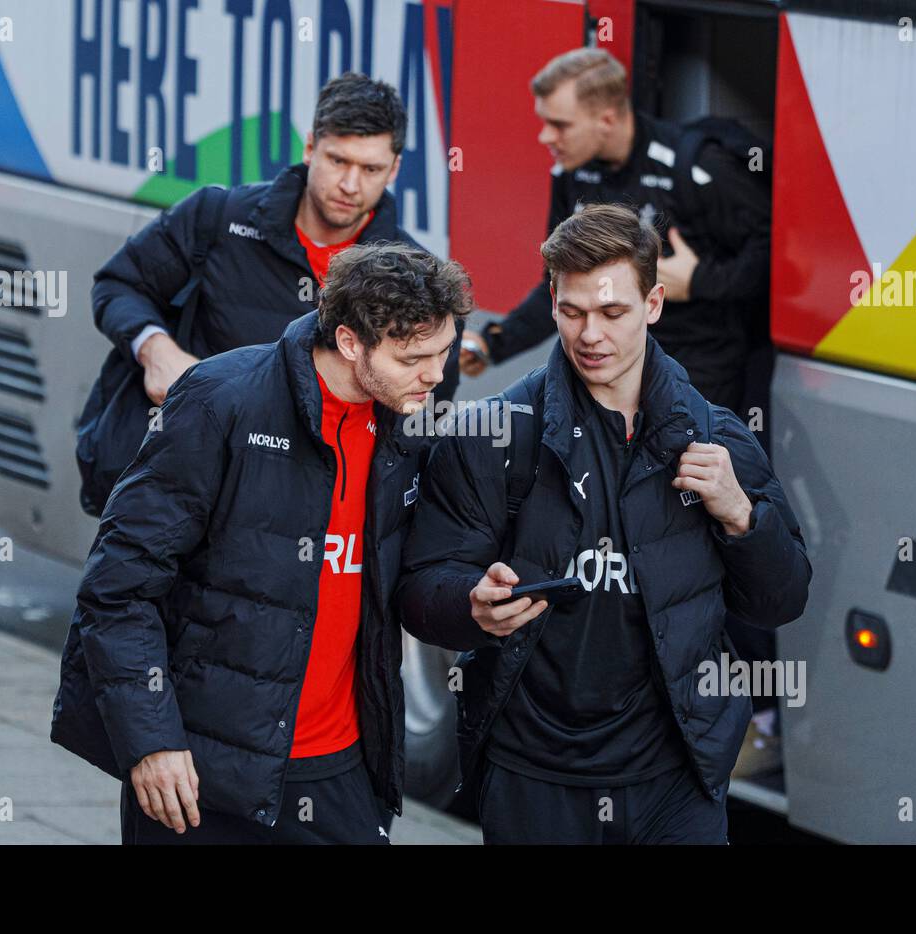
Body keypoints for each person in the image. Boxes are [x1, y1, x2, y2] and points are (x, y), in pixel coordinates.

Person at [398, 204, 808, 844]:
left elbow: (781, 601)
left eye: (613, 312)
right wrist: (469, 606)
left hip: (675, 779)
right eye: (572, 311)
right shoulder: (491, 437)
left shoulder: (716, 439)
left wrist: (742, 517)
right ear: (553, 301)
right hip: (537, 777)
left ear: (654, 304)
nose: (591, 334)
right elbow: (421, 590)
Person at [52, 243, 472, 844]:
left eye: (443, 352)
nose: (435, 375)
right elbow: (118, 589)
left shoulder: (405, 420)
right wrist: (152, 741)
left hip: (341, 770)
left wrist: (473, 602)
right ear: (351, 342)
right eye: (415, 358)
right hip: (203, 773)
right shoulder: (222, 401)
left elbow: (412, 578)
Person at [92, 71, 463, 409]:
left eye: (370, 169)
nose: (350, 185)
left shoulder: (419, 281)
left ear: (394, 169)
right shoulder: (219, 215)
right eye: (337, 161)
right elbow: (119, 284)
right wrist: (155, 349)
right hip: (194, 461)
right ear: (310, 148)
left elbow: (425, 410)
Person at [459, 47, 768, 418]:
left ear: (606, 119)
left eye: (559, 125)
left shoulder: (694, 167)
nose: (545, 136)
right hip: (613, 366)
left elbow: (775, 256)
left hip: (698, 371)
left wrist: (701, 281)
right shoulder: (572, 176)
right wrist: (493, 344)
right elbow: (558, 288)